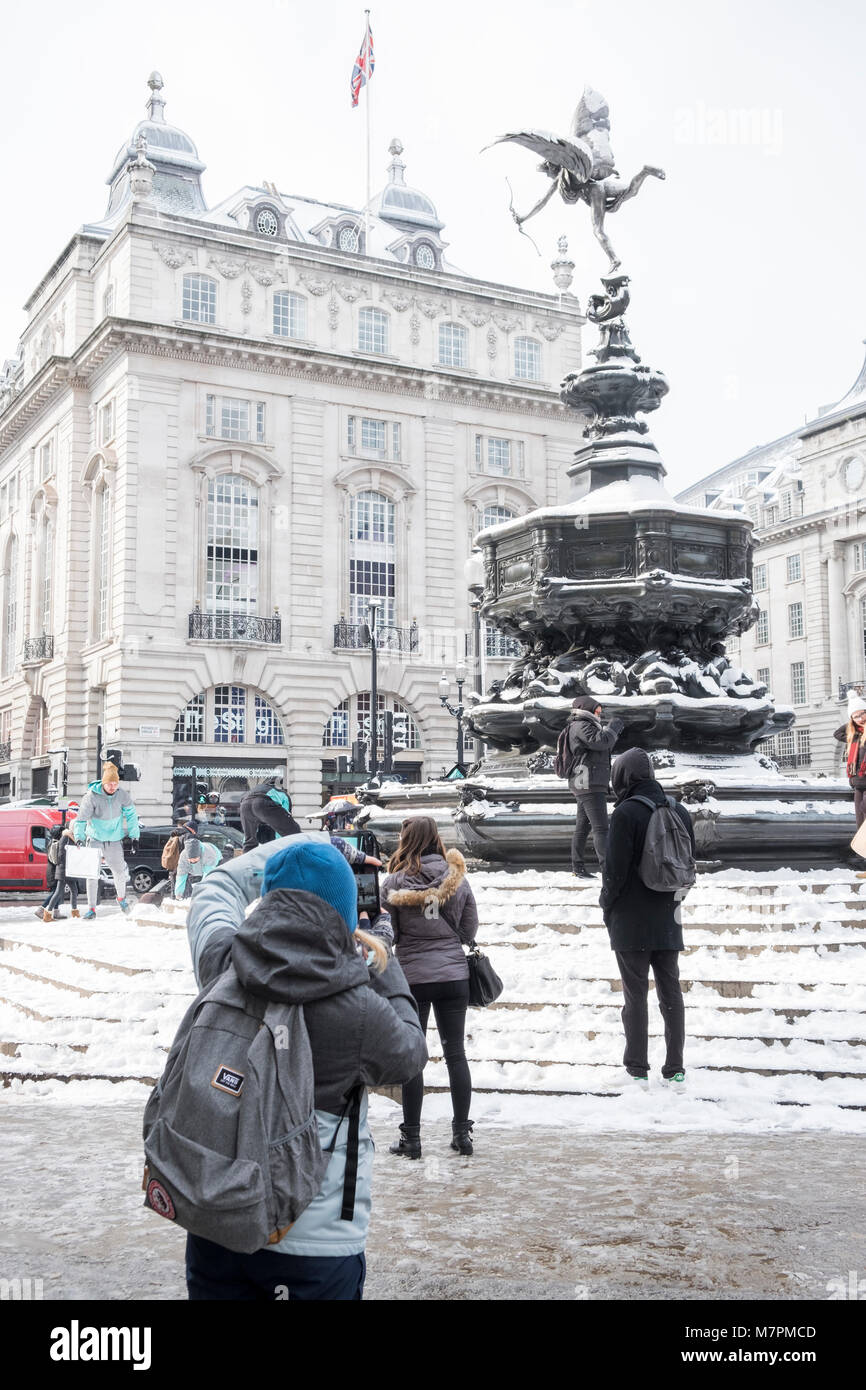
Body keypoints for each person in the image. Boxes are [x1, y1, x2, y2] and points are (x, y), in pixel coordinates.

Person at [184, 836, 427, 1300]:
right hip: (316, 1244)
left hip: (218, 1224)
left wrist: (303, 844)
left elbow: (216, 888)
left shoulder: (224, 962)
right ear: (343, 912)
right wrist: (384, 958)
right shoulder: (360, 1007)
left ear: (267, 898)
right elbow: (410, 1053)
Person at [381, 816, 479, 1158]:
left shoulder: (393, 882)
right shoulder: (458, 879)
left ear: (406, 839)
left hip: (413, 979)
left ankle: (412, 1139)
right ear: (436, 838)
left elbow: (388, 933)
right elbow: (469, 931)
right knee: (456, 1054)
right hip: (453, 977)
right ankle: (462, 1135)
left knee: (413, 1057)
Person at [599, 748, 696, 1091]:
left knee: (635, 995)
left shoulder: (626, 813)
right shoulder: (679, 810)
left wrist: (606, 905)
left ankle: (637, 1069)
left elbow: (614, 871)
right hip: (669, 913)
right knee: (671, 993)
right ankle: (676, 1068)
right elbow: (689, 861)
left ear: (623, 776)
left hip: (631, 916)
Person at [565, 696, 624, 877]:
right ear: (587, 709)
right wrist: (613, 727)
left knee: (583, 827)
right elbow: (601, 742)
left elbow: (600, 746)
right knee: (601, 828)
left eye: (600, 711)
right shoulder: (581, 725)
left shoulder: (585, 725)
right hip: (588, 783)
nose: (599, 714)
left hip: (586, 783)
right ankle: (609, 870)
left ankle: (578, 867)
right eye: (596, 710)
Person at [73, 762, 140, 919]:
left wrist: (134, 836)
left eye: (115, 783)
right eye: (110, 783)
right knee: (92, 874)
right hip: (95, 838)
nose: (112, 786)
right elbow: (81, 819)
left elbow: (131, 815)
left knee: (119, 871)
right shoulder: (91, 796)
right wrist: (79, 837)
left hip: (114, 839)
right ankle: (91, 909)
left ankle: (122, 899)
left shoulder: (122, 795)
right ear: (103, 783)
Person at [834, 691, 866, 877]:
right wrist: (851, 719)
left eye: (862, 714)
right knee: (860, 823)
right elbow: (837, 733)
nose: (860, 718)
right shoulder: (853, 736)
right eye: (856, 716)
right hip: (858, 784)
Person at [239, 775, 301, 854]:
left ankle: (247, 862)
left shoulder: (259, 787)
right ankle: (303, 856)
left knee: (250, 841)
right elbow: (284, 824)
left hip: (245, 804)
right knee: (294, 832)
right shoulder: (282, 793)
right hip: (262, 802)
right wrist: (280, 846)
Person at [42, 826, 81, 921]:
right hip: (64, 870)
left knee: (74, 890)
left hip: (68, 870)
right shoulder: (65, 838)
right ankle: (47, 915)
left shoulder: (71, 838)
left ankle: (75, 913)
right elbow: (61, 855)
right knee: (58, 892)